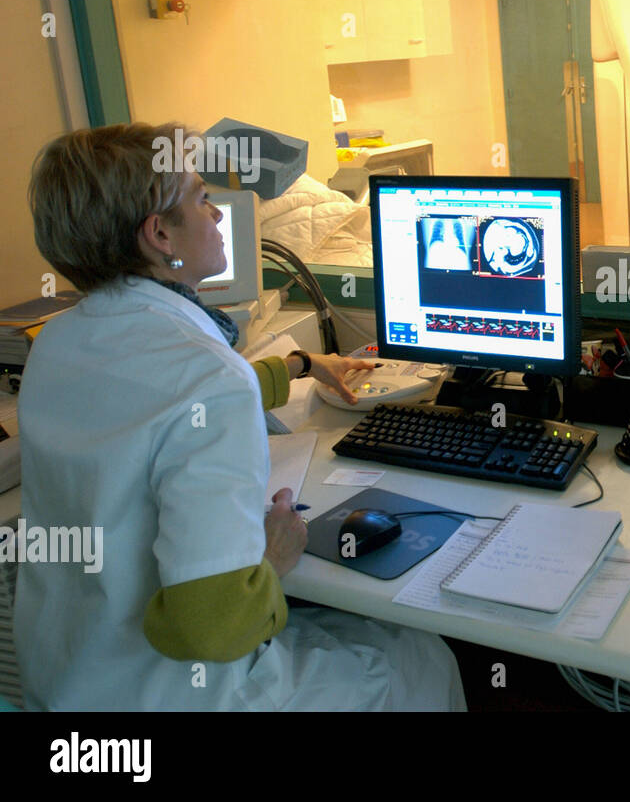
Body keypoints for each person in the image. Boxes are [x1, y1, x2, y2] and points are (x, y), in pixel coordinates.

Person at [16, 123, 466, 709]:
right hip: (179, 690)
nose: (217, 215)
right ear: (159, 235)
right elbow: (216, 628)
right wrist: (275, 555)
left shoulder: (56, 343)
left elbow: (159, 404)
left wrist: (301, 364)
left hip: (67, 682)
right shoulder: (203, 372)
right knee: (419, 655)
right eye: (202, 200)